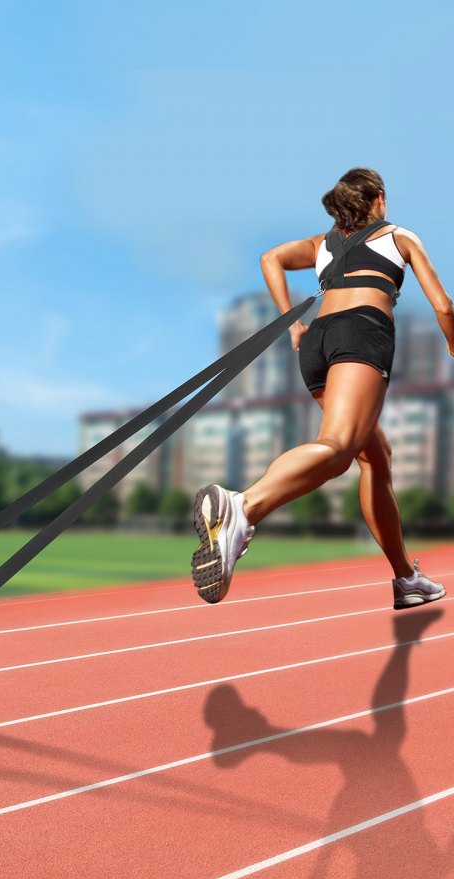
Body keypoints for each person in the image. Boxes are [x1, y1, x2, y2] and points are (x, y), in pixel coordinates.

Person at [191, 167, 453, 609]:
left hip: (317, 343)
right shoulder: (401, 237)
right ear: (380, 200)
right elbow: (444, 305)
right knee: (337, 447)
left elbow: (270, 258)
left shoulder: (321, 245)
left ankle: (406, 578)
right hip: (361, 334)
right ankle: (244, 507)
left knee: (376, 457)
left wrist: (292, 323)